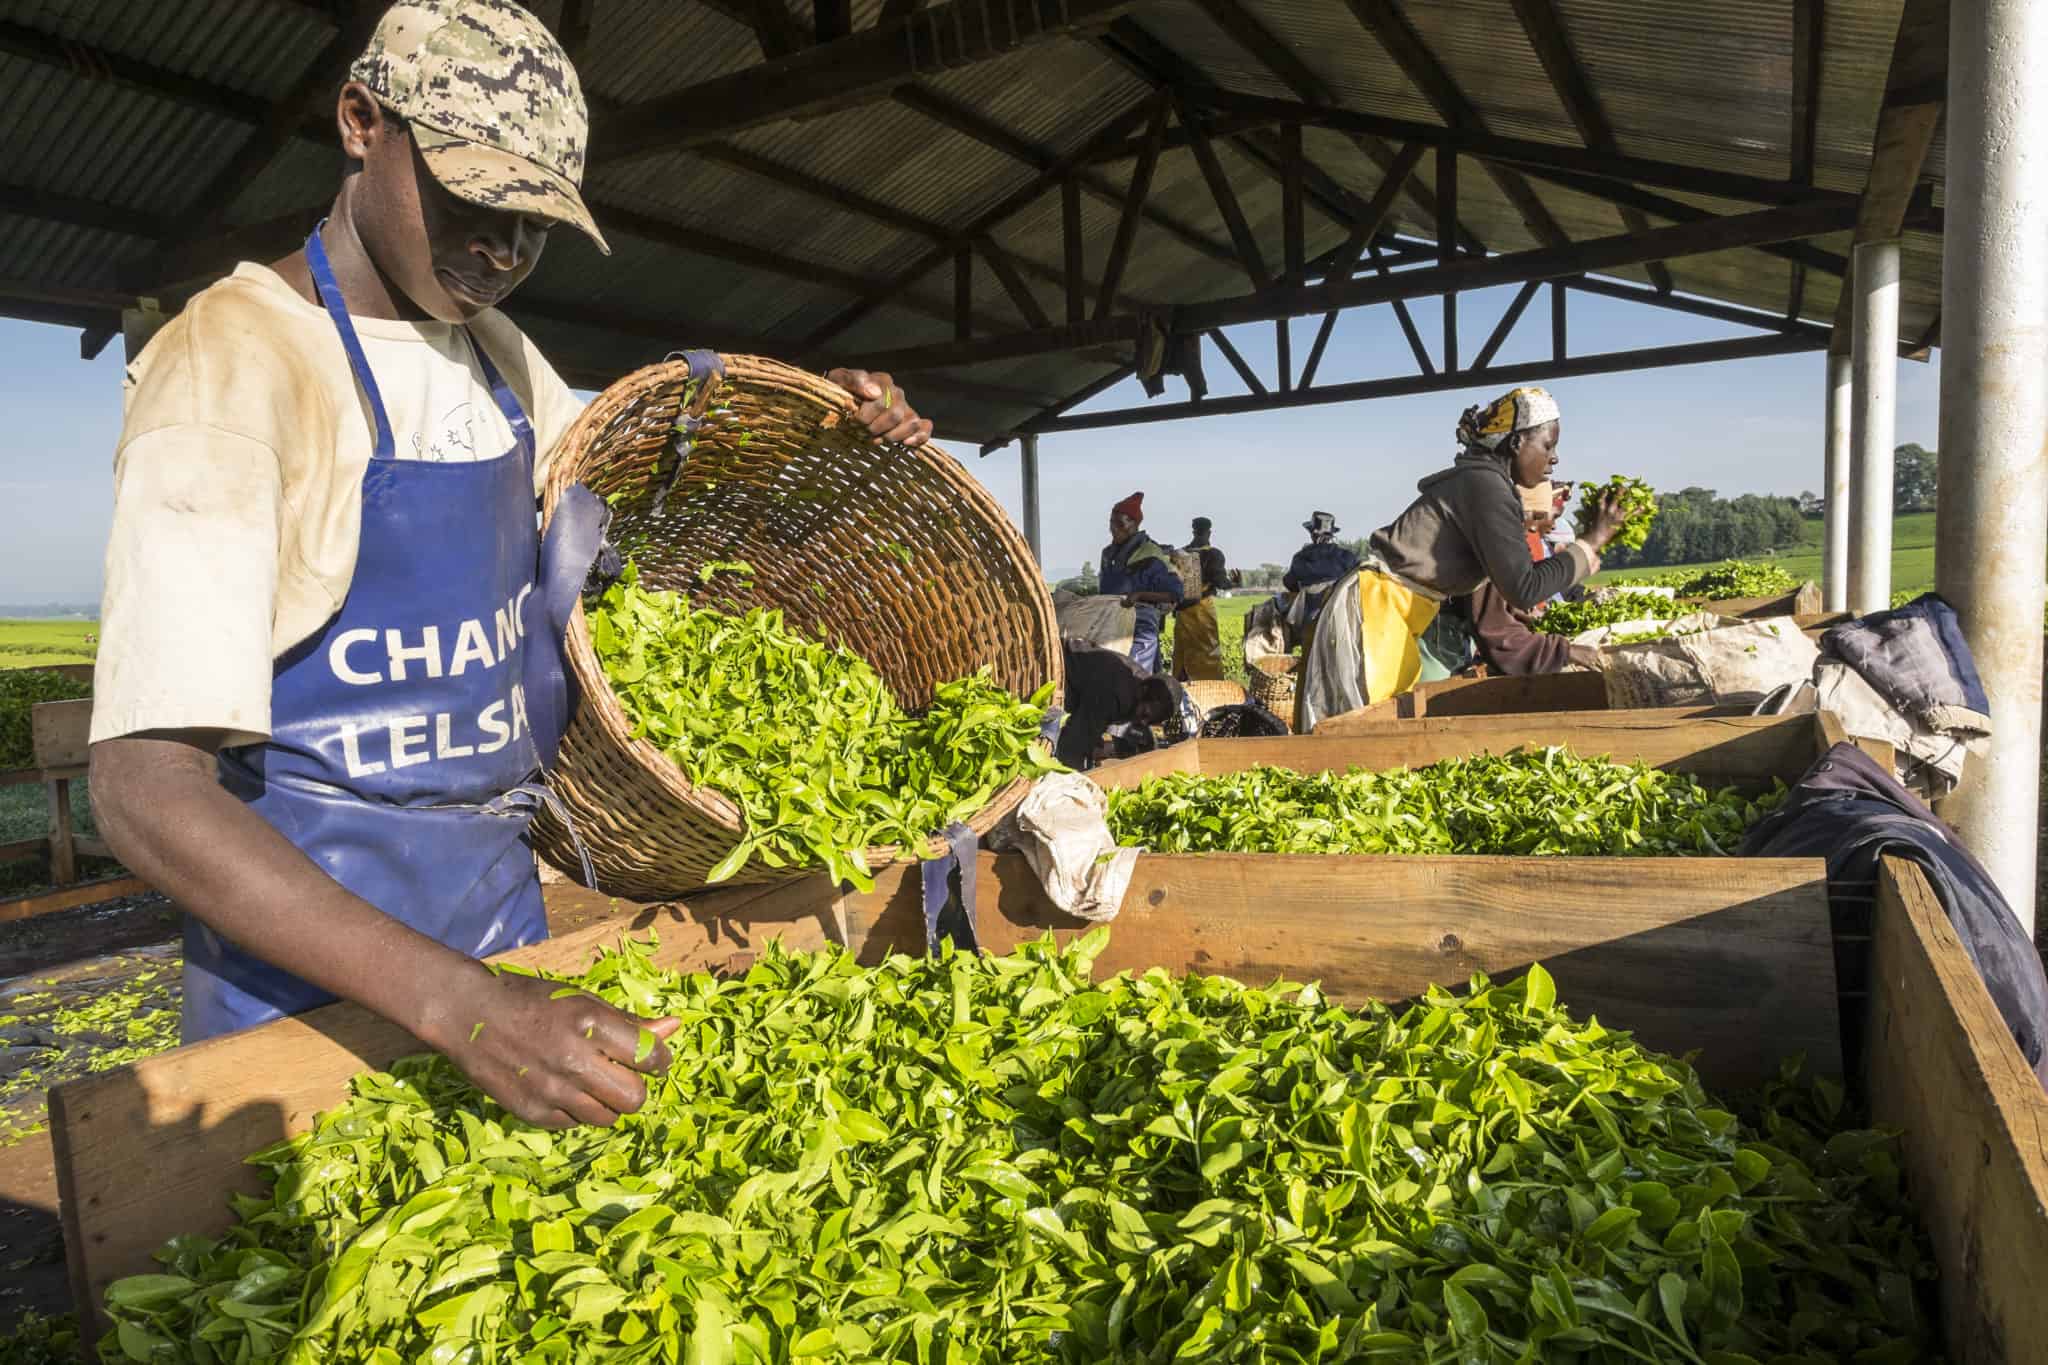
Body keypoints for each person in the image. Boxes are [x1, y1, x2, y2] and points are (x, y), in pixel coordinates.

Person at [86, 0, 934, 1131]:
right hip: (308, 990)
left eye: (535, 225)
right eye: (475, 202)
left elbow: (645, 544)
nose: (504, 250)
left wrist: (836, 443)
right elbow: (145, 792)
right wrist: (466, 1009)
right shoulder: (231, 369)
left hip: (503, 932)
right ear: (359, 122)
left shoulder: (497, 359)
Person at [1298, 386, 1628, 727]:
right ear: (1516, 443)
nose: (1554, 457)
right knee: (1361, 734)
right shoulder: (1486, 485)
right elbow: (1524, 588)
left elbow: (1515, 583)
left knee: (1378, 730)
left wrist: (1584, 551)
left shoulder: (1485, 482)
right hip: (1377, 610)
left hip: (1394, 612)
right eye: (1548, 445)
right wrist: (1590, 544)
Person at [1055, 638, 1182, 770]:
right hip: (1057, 672)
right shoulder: (1117, 694)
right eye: (1145, 714)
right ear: (1142, 691)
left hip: (1079, 683)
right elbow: (1073, 746)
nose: (1143, 723)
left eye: (1150, 721)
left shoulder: (1141, 682)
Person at [1098, 492, 1184, 674]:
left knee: (1133, 674)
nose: (1114, 529)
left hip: (1141, 622)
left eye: (1120, 524)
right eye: (1111, 523)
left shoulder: (1150, 553)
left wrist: (1140, 595)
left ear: (1134, 525)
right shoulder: (1108, 554)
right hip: (1111, 619)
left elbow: (1175, 593)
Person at [1173, 516, 1232, 681]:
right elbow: (1221, 582)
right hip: (1203, 612)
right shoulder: (1213, 554)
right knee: (1207, 653)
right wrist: (1233, 582)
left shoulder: (1180, 553)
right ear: (1209, 532)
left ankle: (1183, 691)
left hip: (1183, 612)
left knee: (1182, 652)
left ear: (1193, 530)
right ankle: (1208, 689)